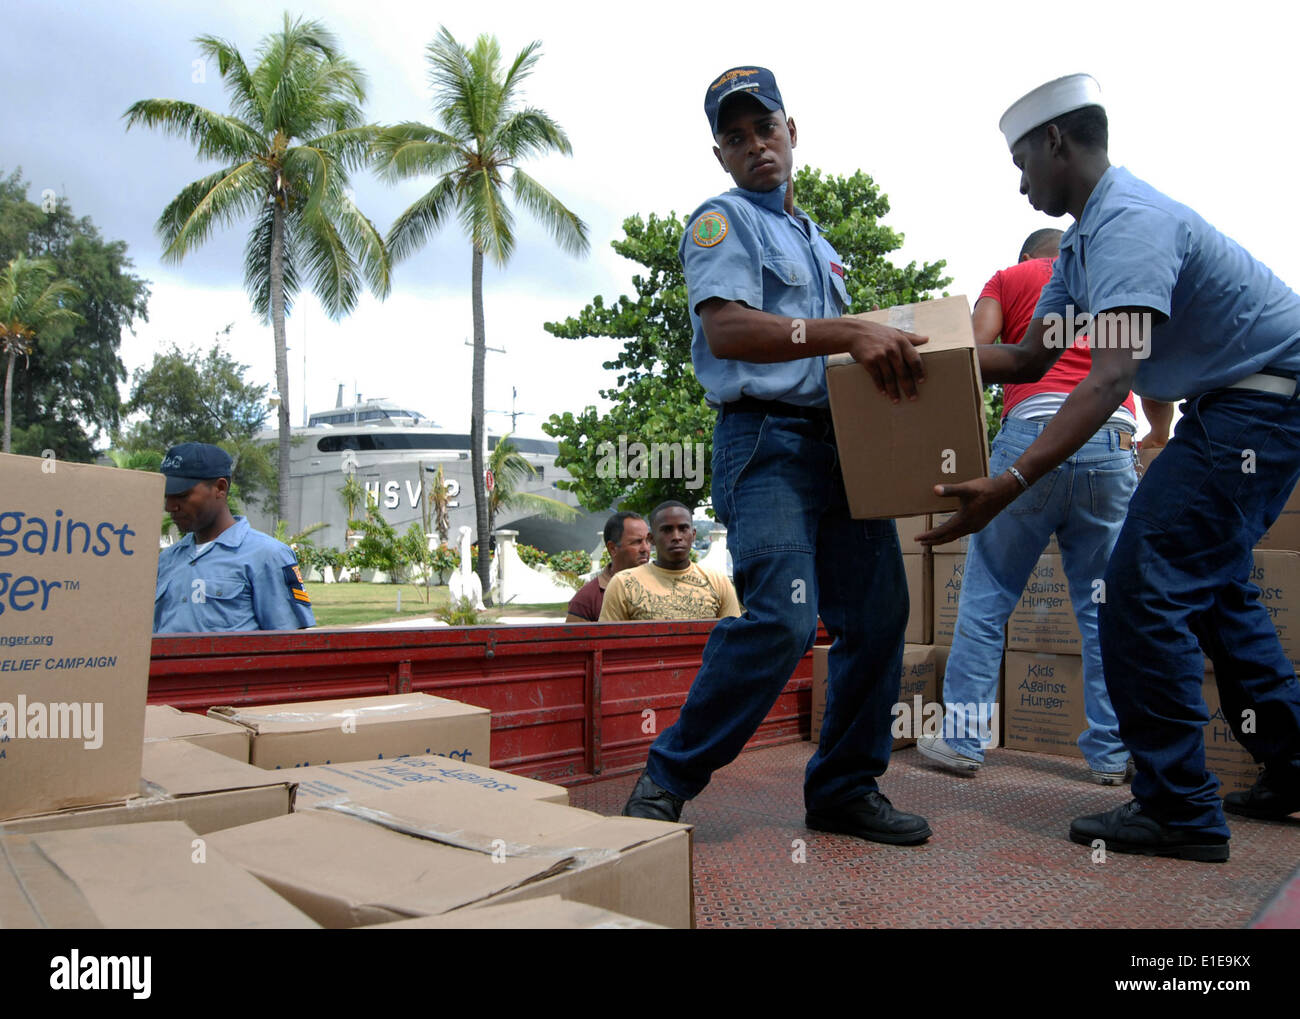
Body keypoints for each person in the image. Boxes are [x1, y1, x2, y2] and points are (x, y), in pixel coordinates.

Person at [922, 74, 1300, 861]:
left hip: (1262, 403)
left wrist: (1014, 479)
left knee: (1141, 584)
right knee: (1218, 590)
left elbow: (1109, 377)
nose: (1019, 180)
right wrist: (923, 361)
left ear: (1057, 141)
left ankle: (1177, 808)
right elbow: (1032, 353)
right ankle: (1294, 767)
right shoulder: (1084, 243)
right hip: (1234, 404)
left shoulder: (1128, 222)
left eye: (1022, 160)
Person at [621, 66, 933, 846]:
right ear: (720, 154)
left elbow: (843, 354)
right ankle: (667, 776)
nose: (755, 144)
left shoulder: (816, 241)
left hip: (841, 448)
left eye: (767, 127)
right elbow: (727, 330)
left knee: (881, 613)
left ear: (794, 131)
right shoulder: (720, 223)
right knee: (786, 616)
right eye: (736, 136)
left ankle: (843, 788)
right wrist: (851, 331)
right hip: (765, 443)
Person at [917, 229, 1172, 784]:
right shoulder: (1109, 282)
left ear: (1028, 257)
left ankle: (962, 741)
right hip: (1111, 436)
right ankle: (1110, 755)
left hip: (1031, 438)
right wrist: (1158, 430)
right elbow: (1149, 367)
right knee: (1101, 607)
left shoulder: (1008, 280)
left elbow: (974, 353)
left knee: (987, 597)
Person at [154, 442, 316, 633]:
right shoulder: (166, 561)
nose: (169, 507)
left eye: (182, 496)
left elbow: (290, 643)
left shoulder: (268, 556)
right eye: (167, 496)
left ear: (220, 488)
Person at [599, 502, 740, 621]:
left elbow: (733, 639)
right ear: (651, 539)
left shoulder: (718, 582)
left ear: (693, 535)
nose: (676, 536)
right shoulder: (623, 584)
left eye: (683, 529)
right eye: (667, 530)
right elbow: (607, 646)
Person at [566, 511, 652, 622]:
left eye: (648, 541)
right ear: (613, 548)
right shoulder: (587, 600)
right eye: (637, 542)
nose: (645, 549)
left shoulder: (661, 585)